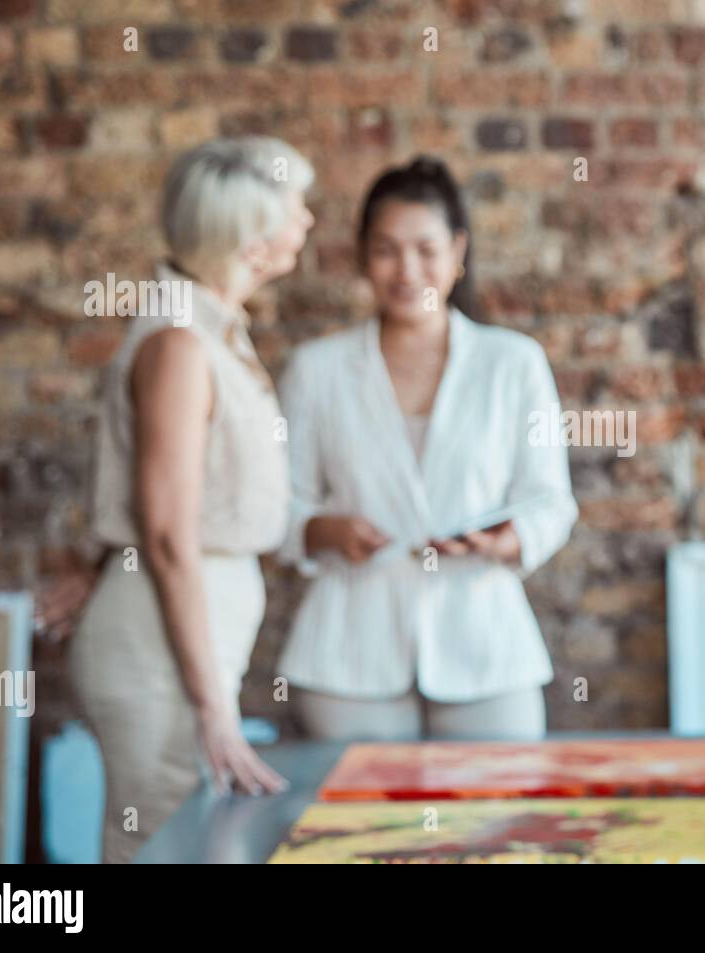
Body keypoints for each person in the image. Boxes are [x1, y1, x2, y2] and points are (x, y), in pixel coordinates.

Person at [67, 136, 316, 863]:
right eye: (297, 208)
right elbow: (169, 533)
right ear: (251, 235)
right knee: (153, 842)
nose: (307, 222)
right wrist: (216, 708)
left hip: (178, 636)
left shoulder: (209, 332)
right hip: (157, 648)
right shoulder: (179, 345)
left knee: (176, 842)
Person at [277, 155, 577, 741]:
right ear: (363, 254)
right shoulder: (316, 370)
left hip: (486, 646)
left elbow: (550, 502)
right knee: (358, 828)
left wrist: (505, 540)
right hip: (347, 651)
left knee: (499, 824)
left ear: (458, 251)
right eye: (387, 249)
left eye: (426, 249)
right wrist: (327, 532)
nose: (406, 269)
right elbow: (279, 504)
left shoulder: (512, 364)